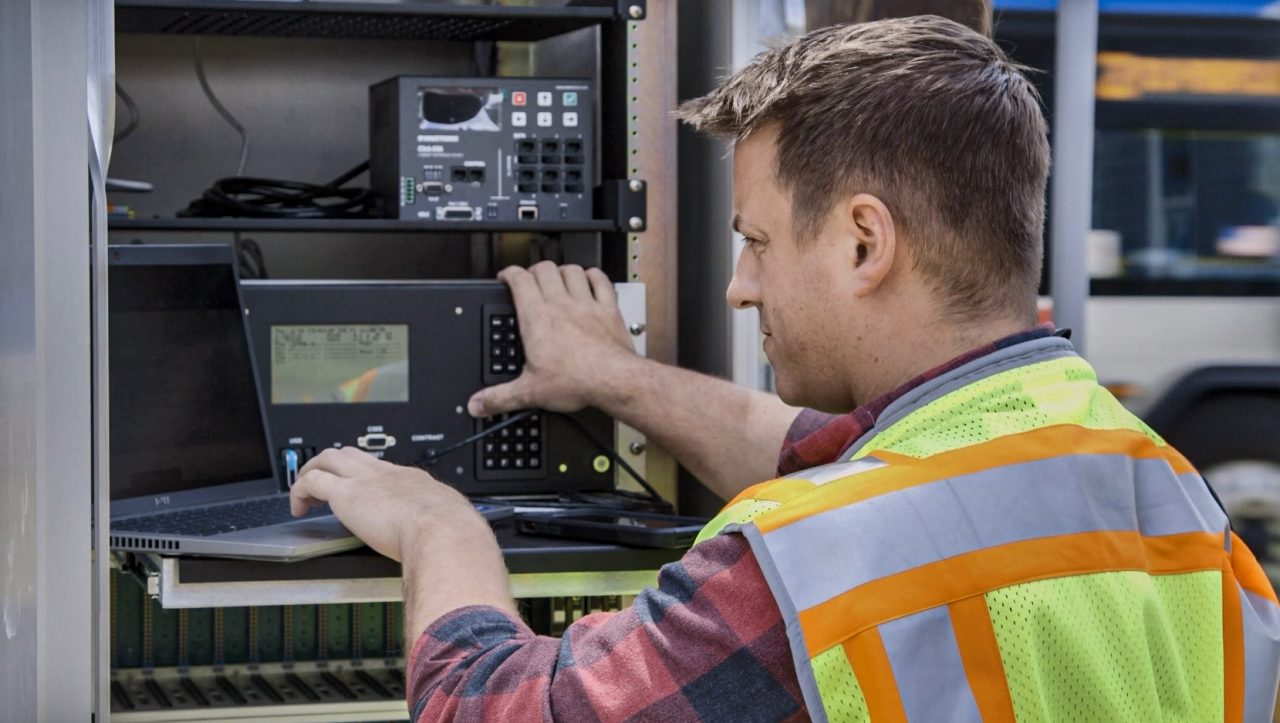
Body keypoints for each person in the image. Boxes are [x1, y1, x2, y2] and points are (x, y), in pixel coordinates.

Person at [290, 15, 1280, 722]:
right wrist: (616, 377)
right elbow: (830, 458)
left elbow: (492, 708)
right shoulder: (1156, 484)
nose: (735, 289)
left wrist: (437, 526)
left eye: (755, 241)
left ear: (861, 243)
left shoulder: (797, 565)